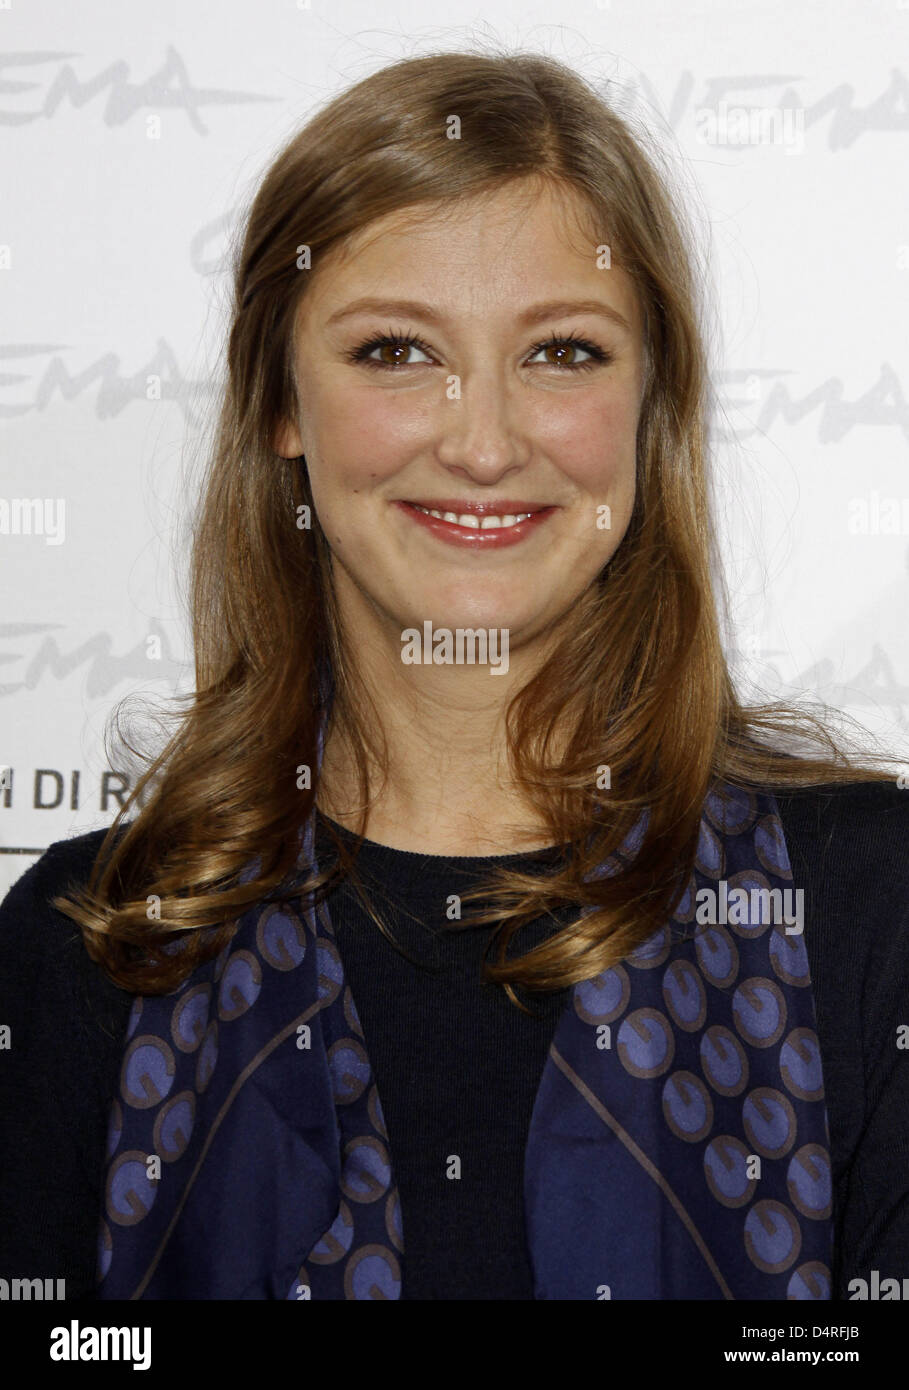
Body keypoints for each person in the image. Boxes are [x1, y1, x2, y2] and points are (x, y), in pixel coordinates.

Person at [2, 48, 908, 1303]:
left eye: (563, 354)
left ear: (651, 408)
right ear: (280, 403)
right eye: (394, 351)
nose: (483, 441)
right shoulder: (86, 950)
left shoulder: (871, 914)